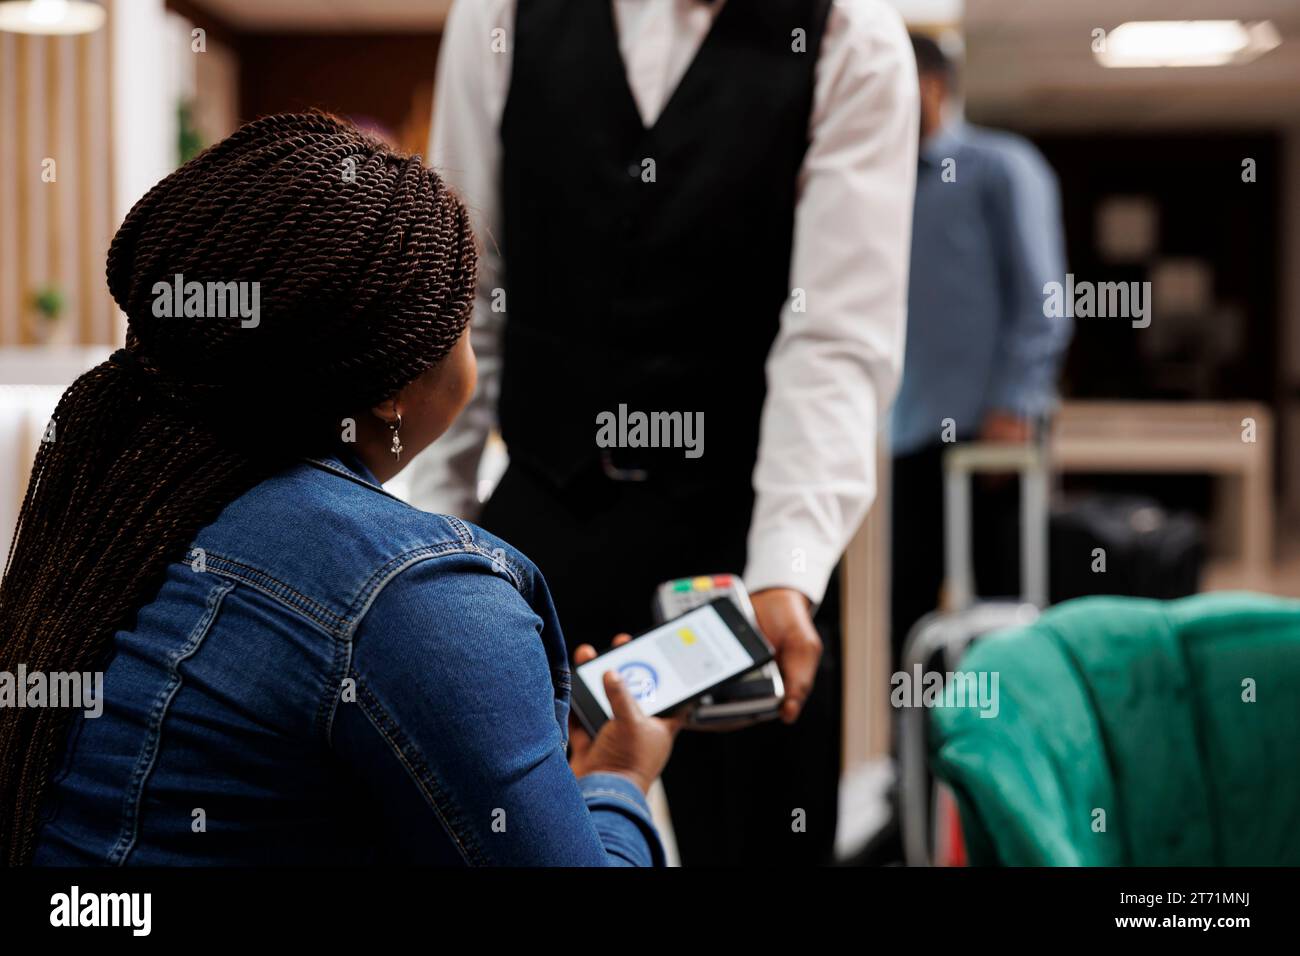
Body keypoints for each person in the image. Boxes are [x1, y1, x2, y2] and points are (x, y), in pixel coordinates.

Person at [0, 112, 680, 867]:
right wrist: (618, 778)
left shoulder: (117, 506)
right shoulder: (419, 597)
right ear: (394, 387)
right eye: (464, 319)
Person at [405, 0, 918, 865]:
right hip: (542, 515)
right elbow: (468, 286)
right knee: (496, 842)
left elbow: (833, 335)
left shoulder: (850, 37)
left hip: (739, 534)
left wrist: (787, 567)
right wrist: (436, 534)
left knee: (767, 840)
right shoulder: (497, 15)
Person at [890, 33, 1071, 667]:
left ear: (930, 86)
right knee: (908, 615)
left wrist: (1015, 402)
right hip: (908, 434)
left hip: (993, 432)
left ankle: (1008, 755)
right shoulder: (881, 181)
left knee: (1003, 615)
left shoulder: (999, 166)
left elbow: (1044, 298)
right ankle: (916, 756)